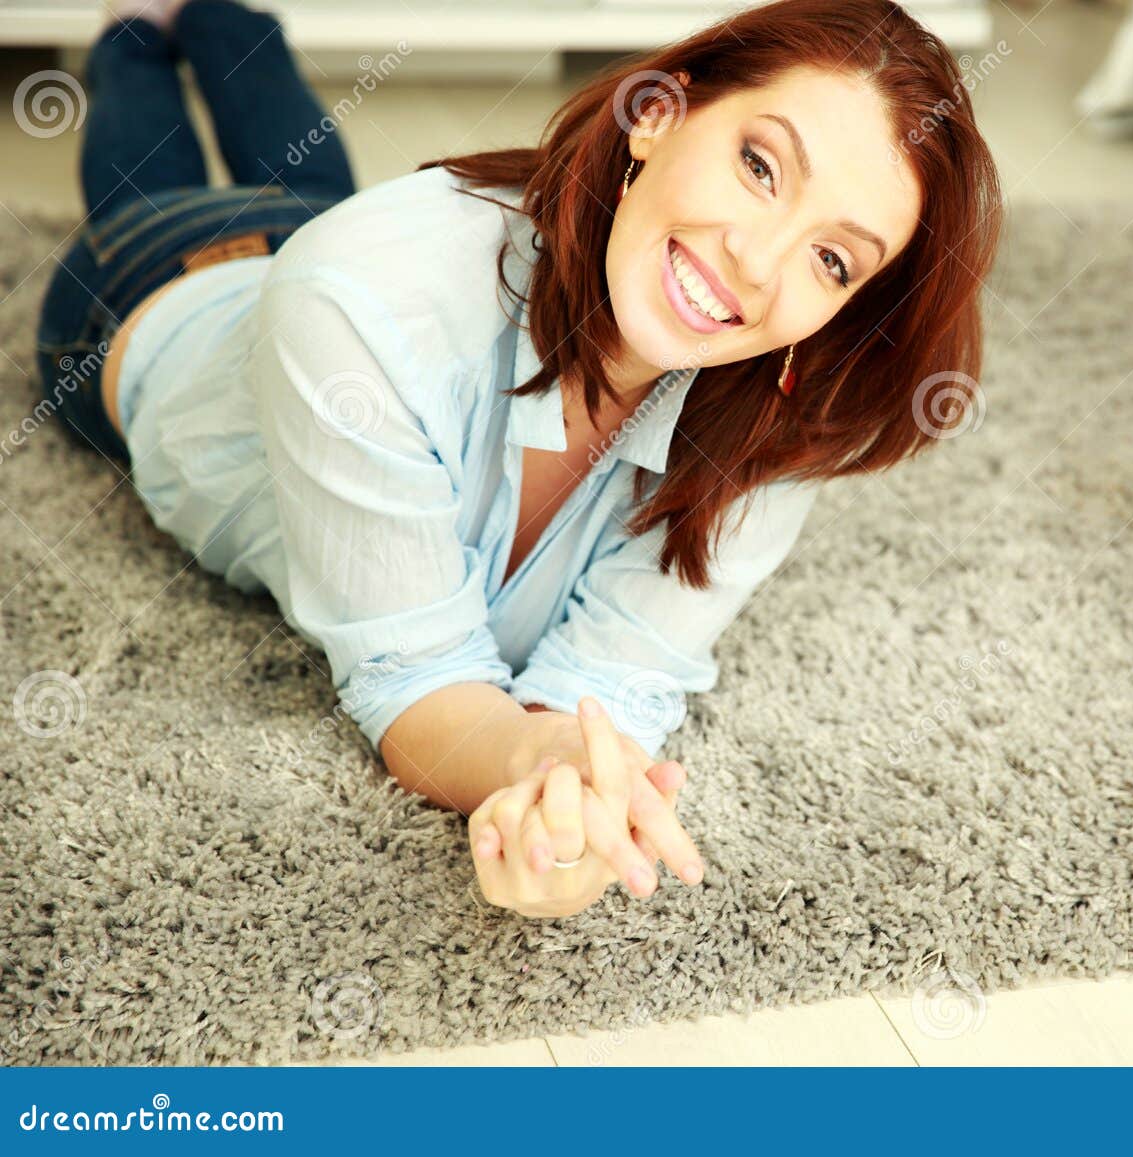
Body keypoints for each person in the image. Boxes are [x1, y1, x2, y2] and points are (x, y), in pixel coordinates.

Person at [33, 0, 1003, 919]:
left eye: (834, 259)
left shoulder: (784, 402)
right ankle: (140, 27)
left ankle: (226, 17)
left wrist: (561, 789)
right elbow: (415, 682)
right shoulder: (361, 300)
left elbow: (613, 682)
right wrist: (536, 758)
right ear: (657, 114)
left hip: (351, 253)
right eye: (759, 166)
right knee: (155, 173)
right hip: (153, 283)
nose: (758, 264)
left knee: (311, 178)